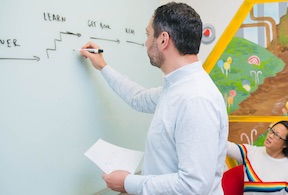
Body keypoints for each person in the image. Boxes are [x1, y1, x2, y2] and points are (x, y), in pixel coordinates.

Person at [79, 2, 229, 195]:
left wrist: (128, 183)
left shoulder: (195, 99)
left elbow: (193, 186)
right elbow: (138, 97)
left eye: (148, 34)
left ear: (163, 40)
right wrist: (103, 67)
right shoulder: (177, 87)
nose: (146, 42)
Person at [223, 121, 288, 195]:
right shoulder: (251, 152)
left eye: (276, 135)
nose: (270, 136)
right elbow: (224, 145)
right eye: (271, 131)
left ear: (285, 144)